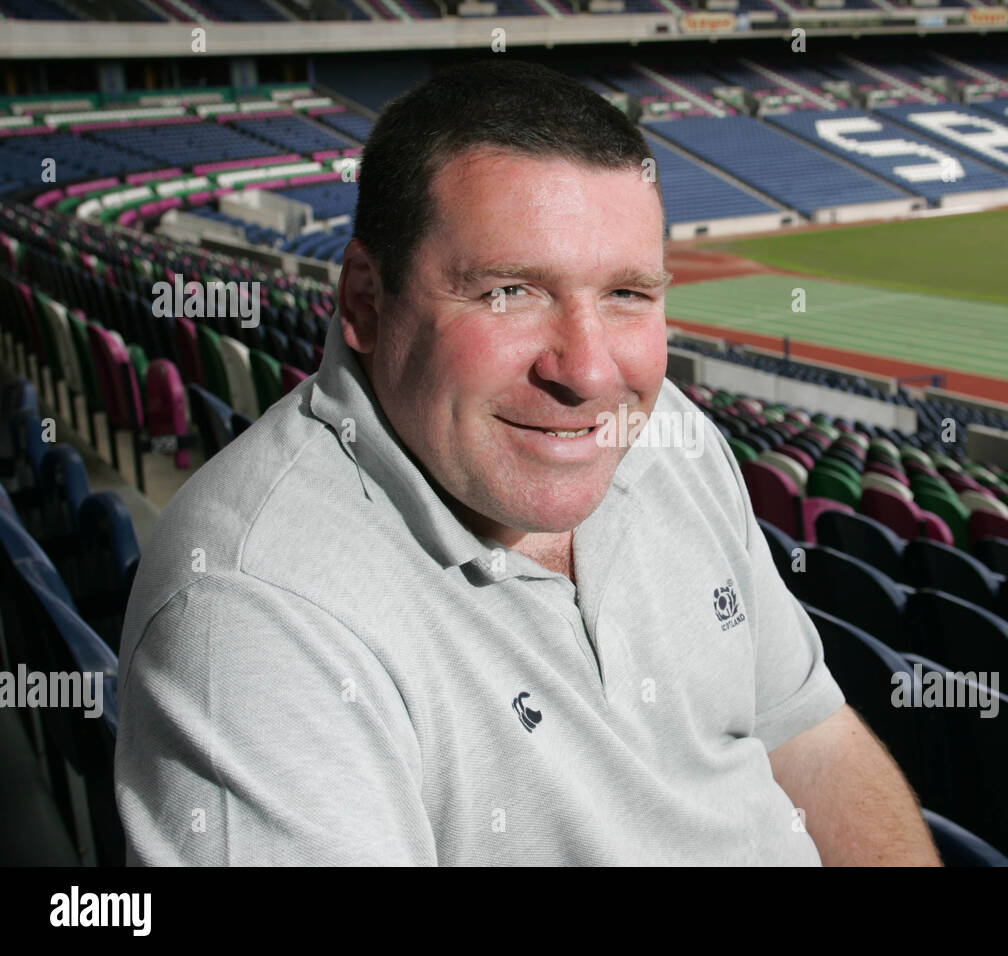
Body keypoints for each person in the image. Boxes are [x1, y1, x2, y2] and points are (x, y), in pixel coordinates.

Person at [114, 59, 940, 866]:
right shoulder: (251, 611)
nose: (586, 372)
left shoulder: (669, 434)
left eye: (627, 295)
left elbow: (809, 736)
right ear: (365, 300)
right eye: (509, 291)